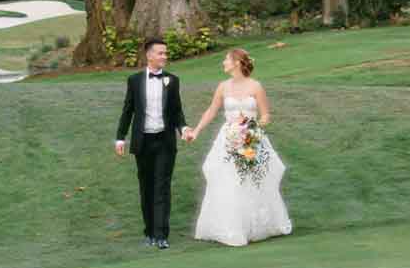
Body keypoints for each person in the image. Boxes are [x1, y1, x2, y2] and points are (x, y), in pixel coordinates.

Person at [188, 46, 292, 246]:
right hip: (228, 139)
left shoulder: (256, 86)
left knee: (252, 180)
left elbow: (266, 116)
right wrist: (196, 130)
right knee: (229, 180)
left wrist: (250, 128)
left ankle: (256, 225)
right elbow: (211, 111)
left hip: (251, 138)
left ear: (237, 62)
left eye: (226, 59)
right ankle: (232, 227)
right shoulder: (223, 86)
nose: (223, 63)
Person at [114, 37, 189, 250]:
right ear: (149, 55)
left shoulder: (172, 80)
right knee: (146, 188)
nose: (164, 57)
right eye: (160, 53)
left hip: (165, 142)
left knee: (162, 188)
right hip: (142, 142)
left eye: (166, 53)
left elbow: (176, 111)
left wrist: (183, 128)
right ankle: (148, 232)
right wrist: (120, 137)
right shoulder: (134, 80)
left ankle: (161, 235)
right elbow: (127, 111)